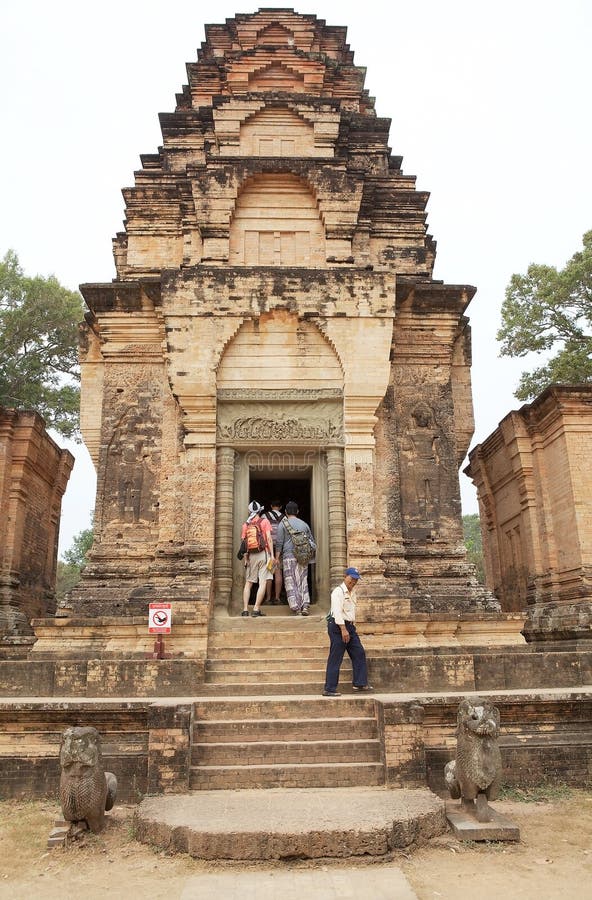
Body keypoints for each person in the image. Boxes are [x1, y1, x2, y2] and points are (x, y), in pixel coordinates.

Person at [322, 567, 373, 696]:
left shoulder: (352, 592)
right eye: (352, 578)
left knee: (359, 652)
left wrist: (351, 626)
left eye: (356, 579)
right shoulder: (338, 592)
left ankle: (359, 683)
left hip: (349, 626)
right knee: (336, 657)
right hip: (338, 626)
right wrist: (343, 629)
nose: (353, 581)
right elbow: (337, 612)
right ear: (345, 577)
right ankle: (329, 689)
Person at [275, 500, 315, 616]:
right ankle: (305, 606)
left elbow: (279, 543)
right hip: (303, 556)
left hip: (288, 557)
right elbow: (312, 542)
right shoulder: (304, 524)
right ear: (297, 511)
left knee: (291, 582)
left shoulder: (283, 524)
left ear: (286, 512)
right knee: (303, 580)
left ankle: (296, 608)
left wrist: (277, 558)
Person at [240, 500, 273, 618]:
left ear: (249, 511)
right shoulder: (264, 522)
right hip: (263, 553)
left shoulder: (246, 525)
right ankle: (256, 609)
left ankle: (245, 609)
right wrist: (272, 555)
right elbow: (269, 539)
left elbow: (244, 544)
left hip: (251, 555)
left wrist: (246, 558)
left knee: (248, 583)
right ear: (260, 511)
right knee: (262, 582)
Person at [263, 500, 284, 604]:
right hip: (280, 548)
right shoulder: (284, 517)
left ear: (271, 506)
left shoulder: (264, 516)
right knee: (278, 572)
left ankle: (267, 598)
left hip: (268, 547)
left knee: (269, 572)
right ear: (280, 507)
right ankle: (277, 598)